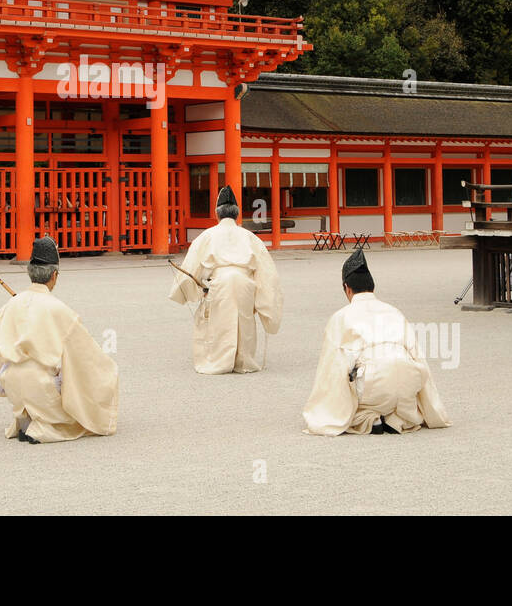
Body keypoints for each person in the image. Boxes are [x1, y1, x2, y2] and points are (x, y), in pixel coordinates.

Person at [302, 247, 451, 436]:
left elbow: (331, 367)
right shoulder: (394, 311)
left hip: (372, 384)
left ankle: (368, 417)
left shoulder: (341, 317)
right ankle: (397, 417)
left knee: (346, 402)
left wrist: (326, 406)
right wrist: (433, 409)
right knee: (399, 390)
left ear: (347, 288)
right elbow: (417, 355)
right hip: (408, 382)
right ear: (372, 287)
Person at [0, 236, 118, 443]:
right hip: (40, 385)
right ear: (54, 275)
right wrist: (108, 369)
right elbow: (86, 355)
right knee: (77, 409)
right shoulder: (58, 309)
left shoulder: (14, 303)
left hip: (12, 382)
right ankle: (45, 427)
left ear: (30, 272)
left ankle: (26, 420)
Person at [168, 185, 282, 374]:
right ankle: (243, 362)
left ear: (217, 213)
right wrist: (265, 304)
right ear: (237, 214)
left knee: (218, 323)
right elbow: (267, 274)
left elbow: (191, 267)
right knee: (243, 322)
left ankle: (218, 362)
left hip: (220, 283)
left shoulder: (207, 236)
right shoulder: (250, 237)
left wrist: (193, 291)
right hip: (246, 284)